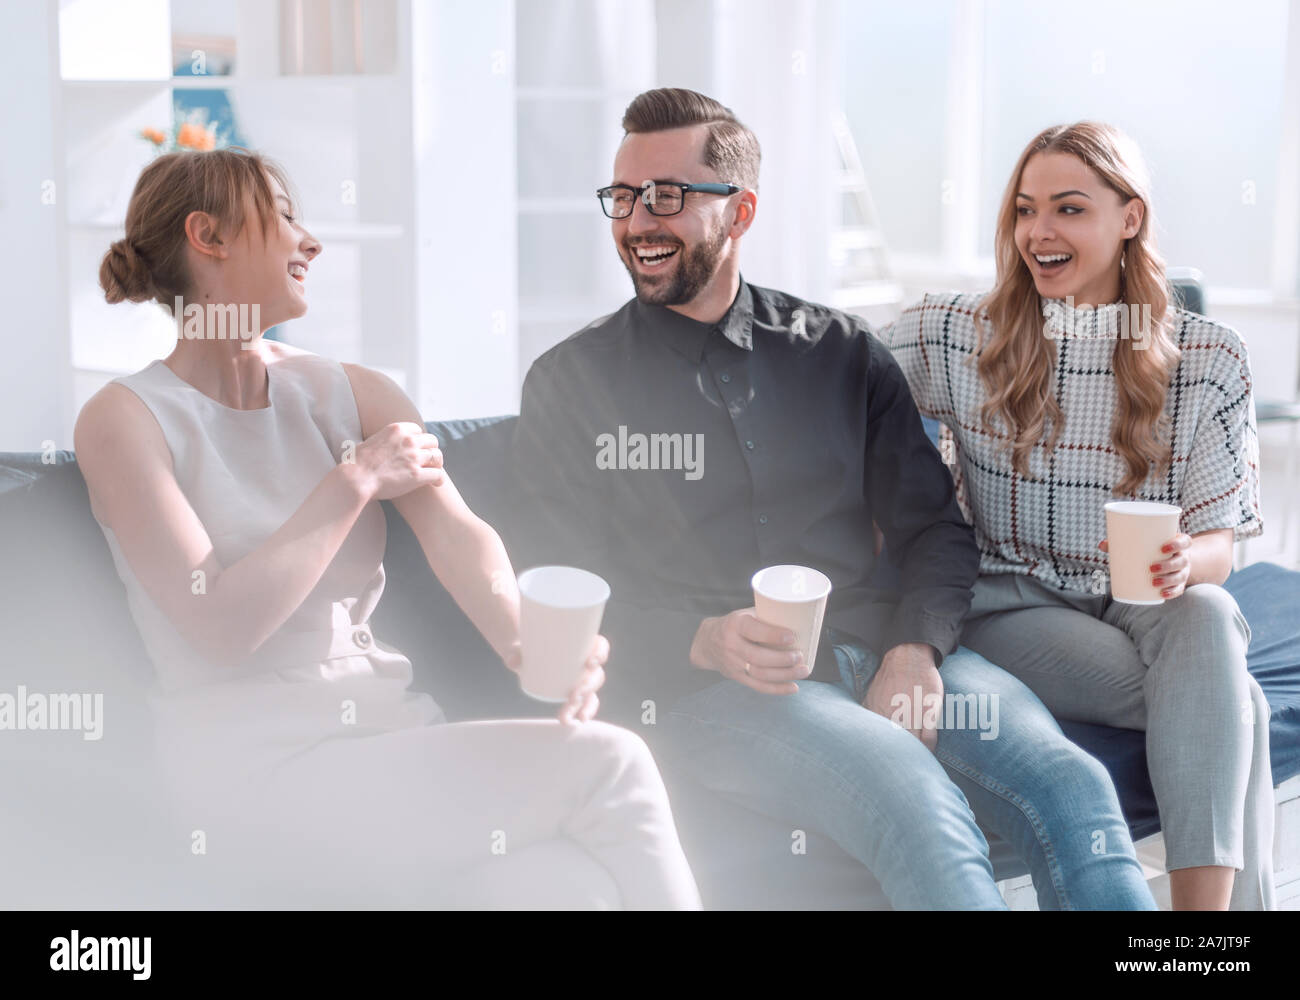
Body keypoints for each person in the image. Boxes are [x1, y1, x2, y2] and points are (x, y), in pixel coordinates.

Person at [509, 87, 1157, 909]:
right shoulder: (572, 384)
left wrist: (916, 649)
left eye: (667, 196)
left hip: (883, 648)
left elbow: (936, 531)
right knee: (918, 803)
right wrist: (702, 639)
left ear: (739, 212)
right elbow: (548, 584)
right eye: (625, 196)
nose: (639, 220)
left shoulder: (839, 351)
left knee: (1073, 784)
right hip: (714, 693)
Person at [75, 146, 701, 910]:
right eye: (286, 217)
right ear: (209, 236)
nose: (311, 242)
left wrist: (522, 638)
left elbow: (458, 535)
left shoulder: (354, 392)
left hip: (391, 741)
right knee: (612, 765)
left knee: (558, 886)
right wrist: (355, 480)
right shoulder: (125, 420)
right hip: (254, 777)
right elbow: (219, 626)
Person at [878, 121, 1274, 910]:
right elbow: (831, 369)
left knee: (1209, 610)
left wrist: (1181, 562)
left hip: (1142, 601)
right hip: (1011, 602)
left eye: (1068, 209)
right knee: (1237, 703)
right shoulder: (959, 334)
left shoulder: (1209, 358)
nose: (1038, 233)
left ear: (1130, 217)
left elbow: (1220, 544)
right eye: (1025, 210)